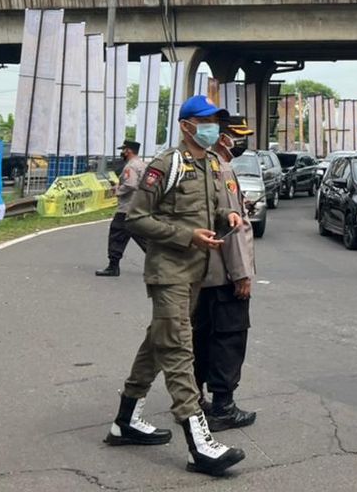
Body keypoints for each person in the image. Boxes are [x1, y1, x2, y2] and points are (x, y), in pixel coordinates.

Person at [103, 95, 247, 477]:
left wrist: (226, 213)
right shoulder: (166, 164)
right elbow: (136, 218)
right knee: (178, 349)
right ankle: (200, 445)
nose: (214, 126)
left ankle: (125, 420)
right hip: (168, 272)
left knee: (157, 341)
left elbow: (213, 206)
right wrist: (188, 236)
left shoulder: (211, 163)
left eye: (217, 120)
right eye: (206, 120)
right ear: (186, 125)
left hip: (197, 273)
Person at [193, 110, 257, 431]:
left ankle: (195, 400)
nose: (242, 142)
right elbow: (234, 227)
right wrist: (241, 273)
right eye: (238, 135)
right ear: (223, 137)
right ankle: (222, 406)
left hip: (201, 273)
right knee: (229, 338)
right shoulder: (224, 169)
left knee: (201, 336)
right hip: (224, 273)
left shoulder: (201, 167)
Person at [96, 140, 148, 277]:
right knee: (144, 237)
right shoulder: (142, 165)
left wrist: (117, 190)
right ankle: (159, 265)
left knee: (116, 235)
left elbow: (130, 184)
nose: (122, 153)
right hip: (139, 206)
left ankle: (113, 266)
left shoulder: (130, 166)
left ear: (128, 151)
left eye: (123, 150)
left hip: (126, 208)